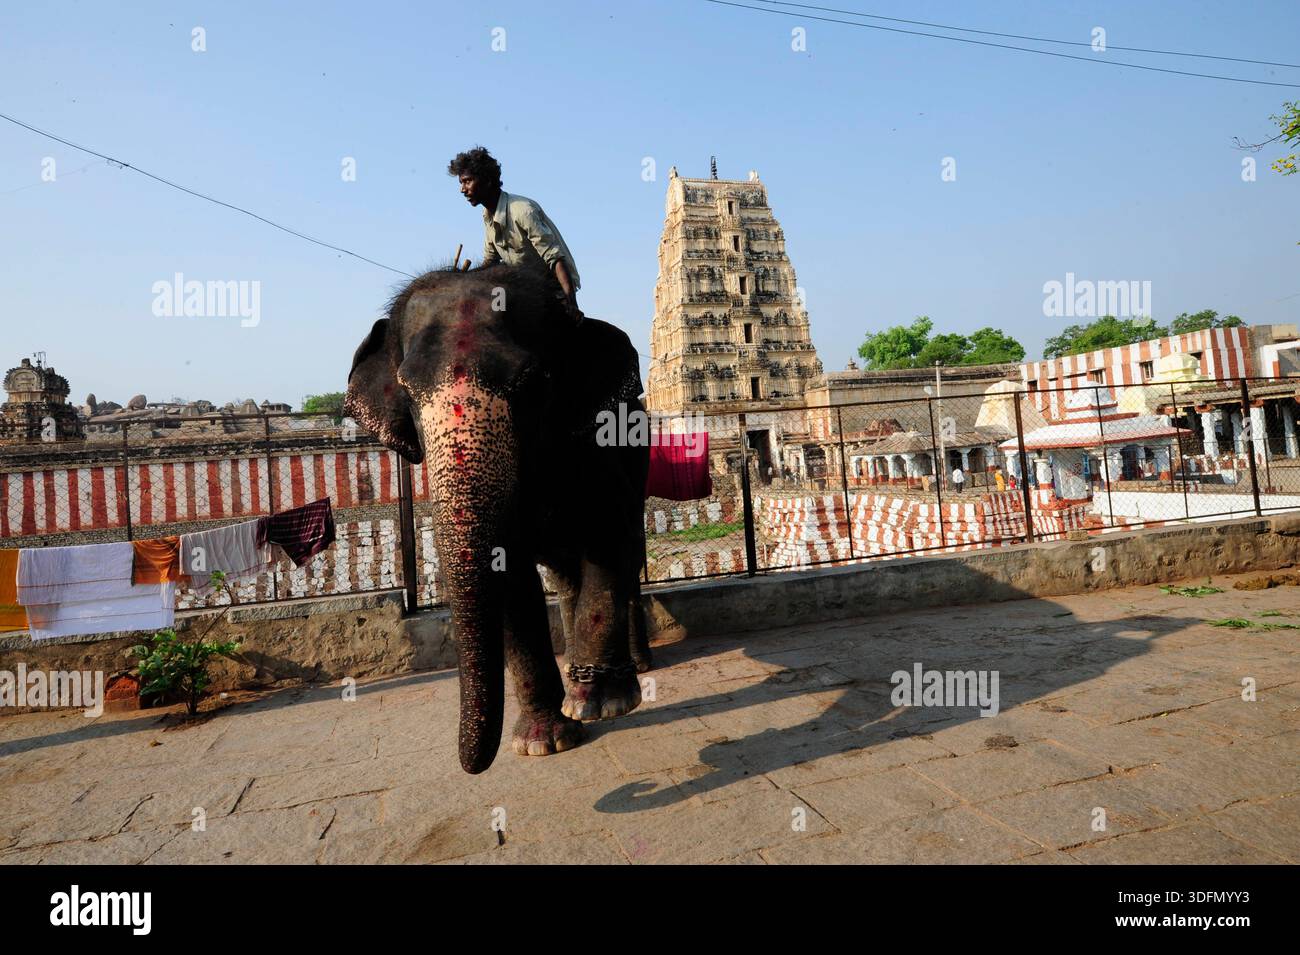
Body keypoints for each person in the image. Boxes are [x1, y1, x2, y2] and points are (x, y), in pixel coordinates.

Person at [447, 145, 584, 325]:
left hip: (550, 289)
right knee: (491, 309)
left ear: (487, 181)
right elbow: (490, 263)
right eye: (461, 183)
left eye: (467, 181)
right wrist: (458, 281)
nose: (462, 189)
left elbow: (555, 258)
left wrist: (570, 303)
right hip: (521, 287)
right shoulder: (488, 215)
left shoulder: (523, 211)